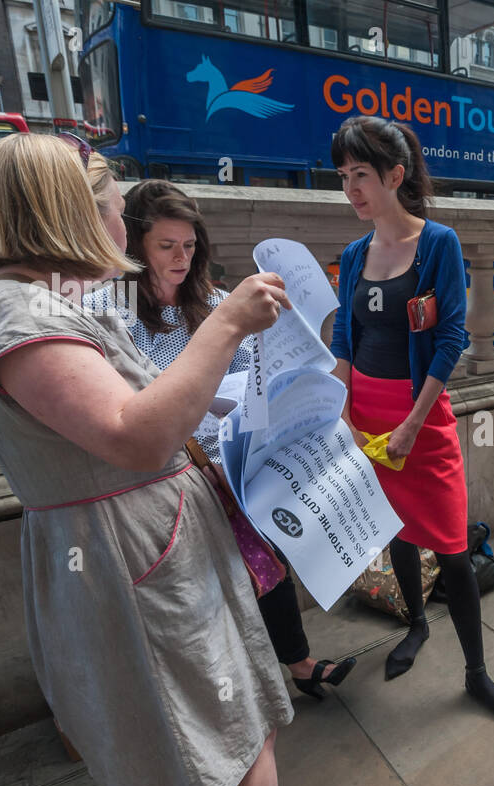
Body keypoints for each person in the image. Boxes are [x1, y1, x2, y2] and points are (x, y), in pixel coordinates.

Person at [0, 132, 296, 786]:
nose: (122, 228)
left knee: (151, 722)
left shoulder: (22, 303)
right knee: (235, 729)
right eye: (111, 210)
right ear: (65, 215)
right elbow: (134, 435)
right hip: (137, 556)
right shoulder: (22, 317)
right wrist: (229, 323)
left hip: (114, 549)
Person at [82, 178, 356, 700]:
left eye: (189, 245)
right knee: (201, 589)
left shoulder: (214, 300)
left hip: (238, 461)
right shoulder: (108, 313)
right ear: (136, 243)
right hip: (169, 476)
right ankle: (227, 686)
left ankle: (296, 664)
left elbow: (255, 376)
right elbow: (132, 405)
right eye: (166, 246)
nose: (181, 257)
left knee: (265, 559)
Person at [329, 115, 494, 728]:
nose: (350, 190)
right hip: (365, 412)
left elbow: (449, 339)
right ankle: (415, 624)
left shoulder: (438, 243)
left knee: (453, 547)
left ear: (396, 175)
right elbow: (344, 336)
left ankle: (477, 675)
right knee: (396, 534)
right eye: (342, 177)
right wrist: (342, 415)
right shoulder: (354, 252)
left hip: (421, 418)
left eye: (360, 175)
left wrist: (415, 424)